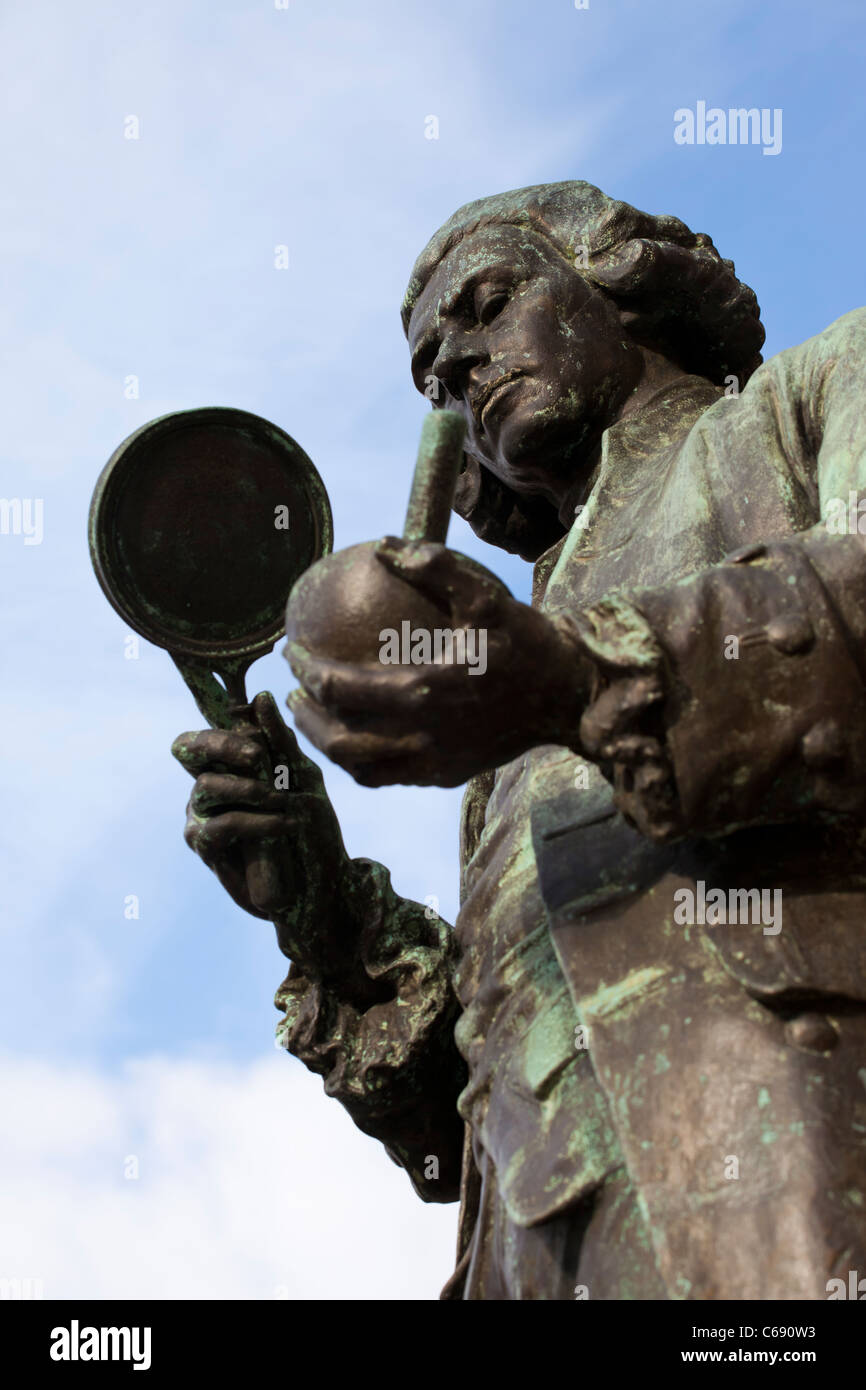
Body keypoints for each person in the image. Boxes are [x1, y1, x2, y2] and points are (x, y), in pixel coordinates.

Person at [173, 182, 866, 1299]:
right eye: (435, 380)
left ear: (612, 282)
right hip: (542, 1248)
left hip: (794, 1172)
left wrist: (579, 676)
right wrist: (324, 913)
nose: (461, 370)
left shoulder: (813, 393)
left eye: (488, 307)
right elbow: (466, 1105)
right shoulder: (515, 677)